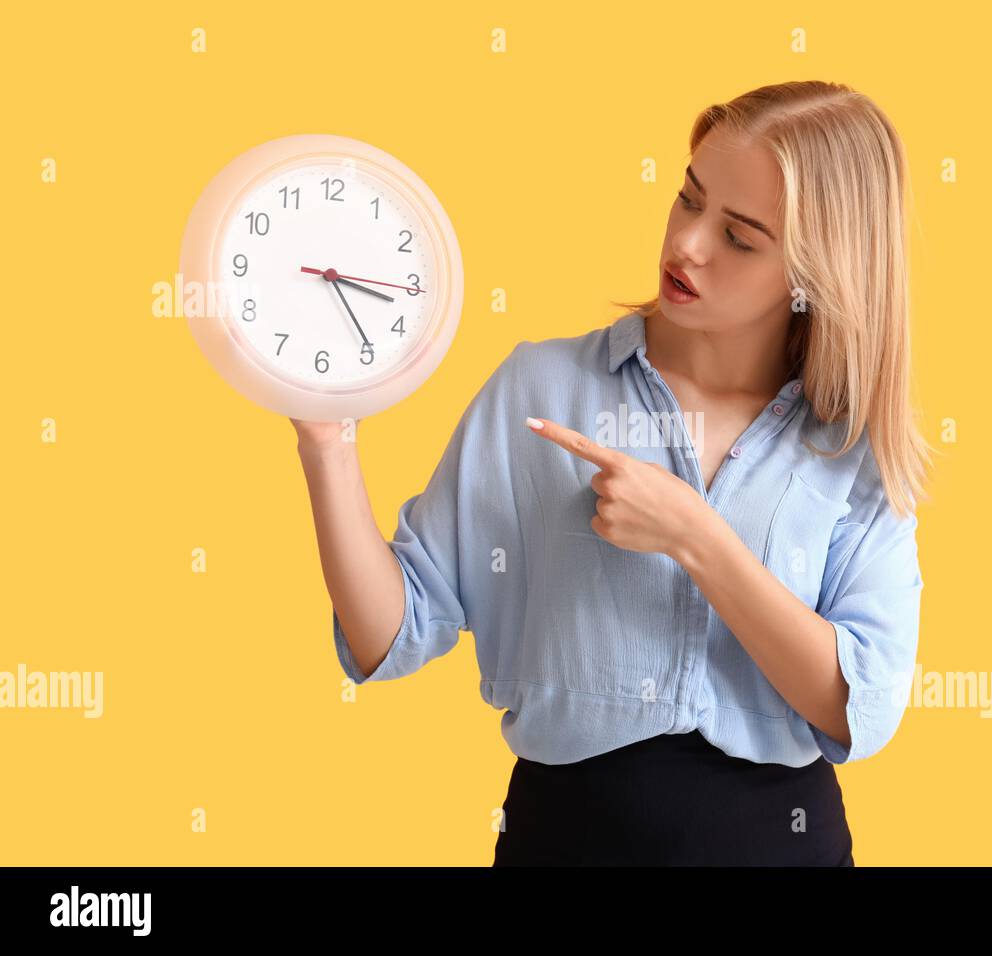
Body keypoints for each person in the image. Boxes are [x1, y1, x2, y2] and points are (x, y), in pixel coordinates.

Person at [293, 79, 932, 866]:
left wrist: (697, 537)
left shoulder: (848, 447)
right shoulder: (540, 389)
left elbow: (856, 707)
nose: (688, 244)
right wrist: (328, 445)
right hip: (563, 841)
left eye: (739, 236)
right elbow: (388, 634)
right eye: (688, 198)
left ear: (813, 273)